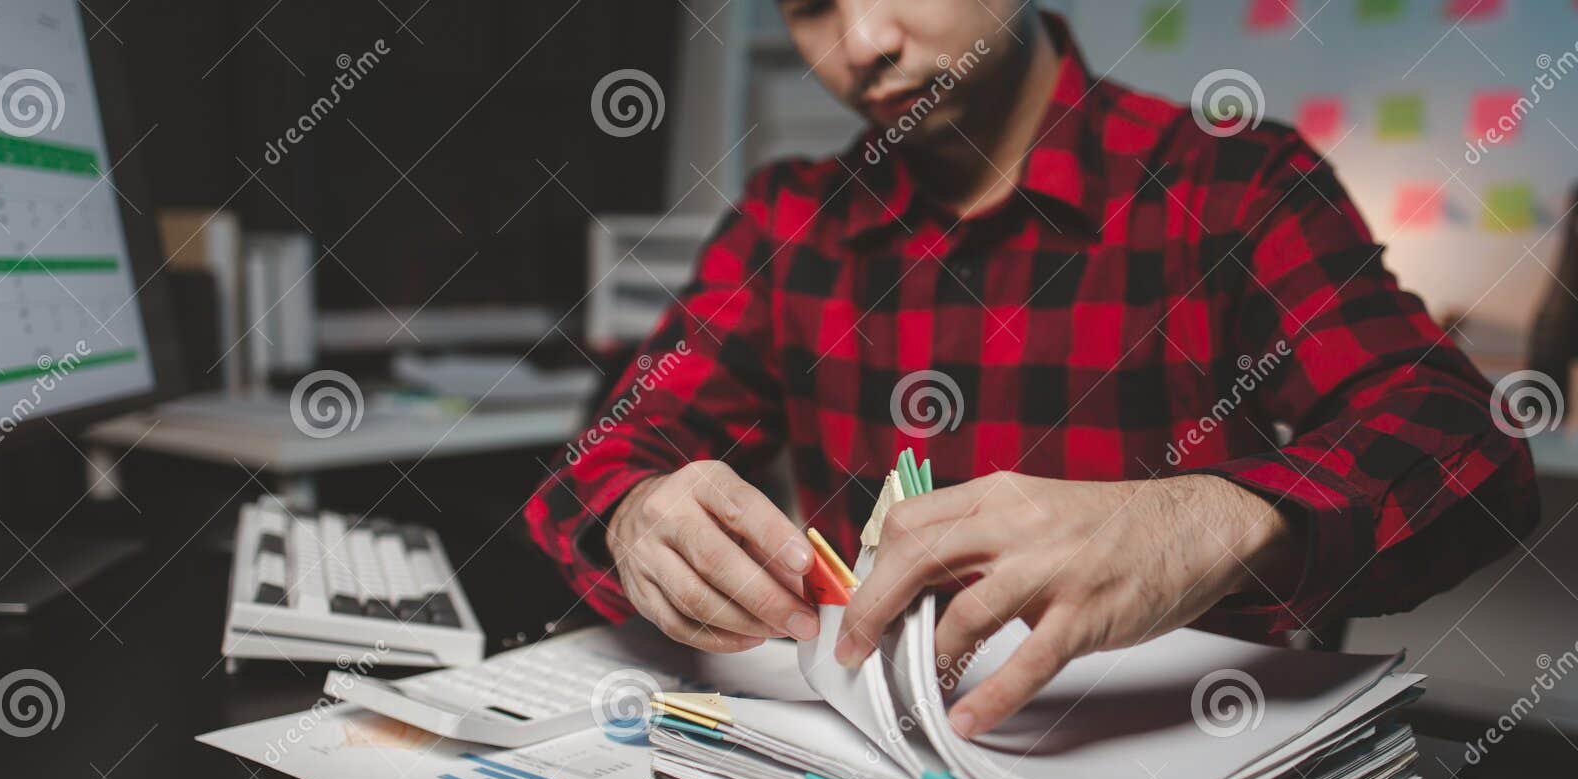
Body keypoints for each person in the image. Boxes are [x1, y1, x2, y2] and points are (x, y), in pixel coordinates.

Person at [527, 2, 1539, 737]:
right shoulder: (787, 220)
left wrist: (1198, 519)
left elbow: (1465, 443)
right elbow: (607, 451)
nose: (863, 44)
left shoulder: (1231, 181)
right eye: (810, 7)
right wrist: (634, 511)